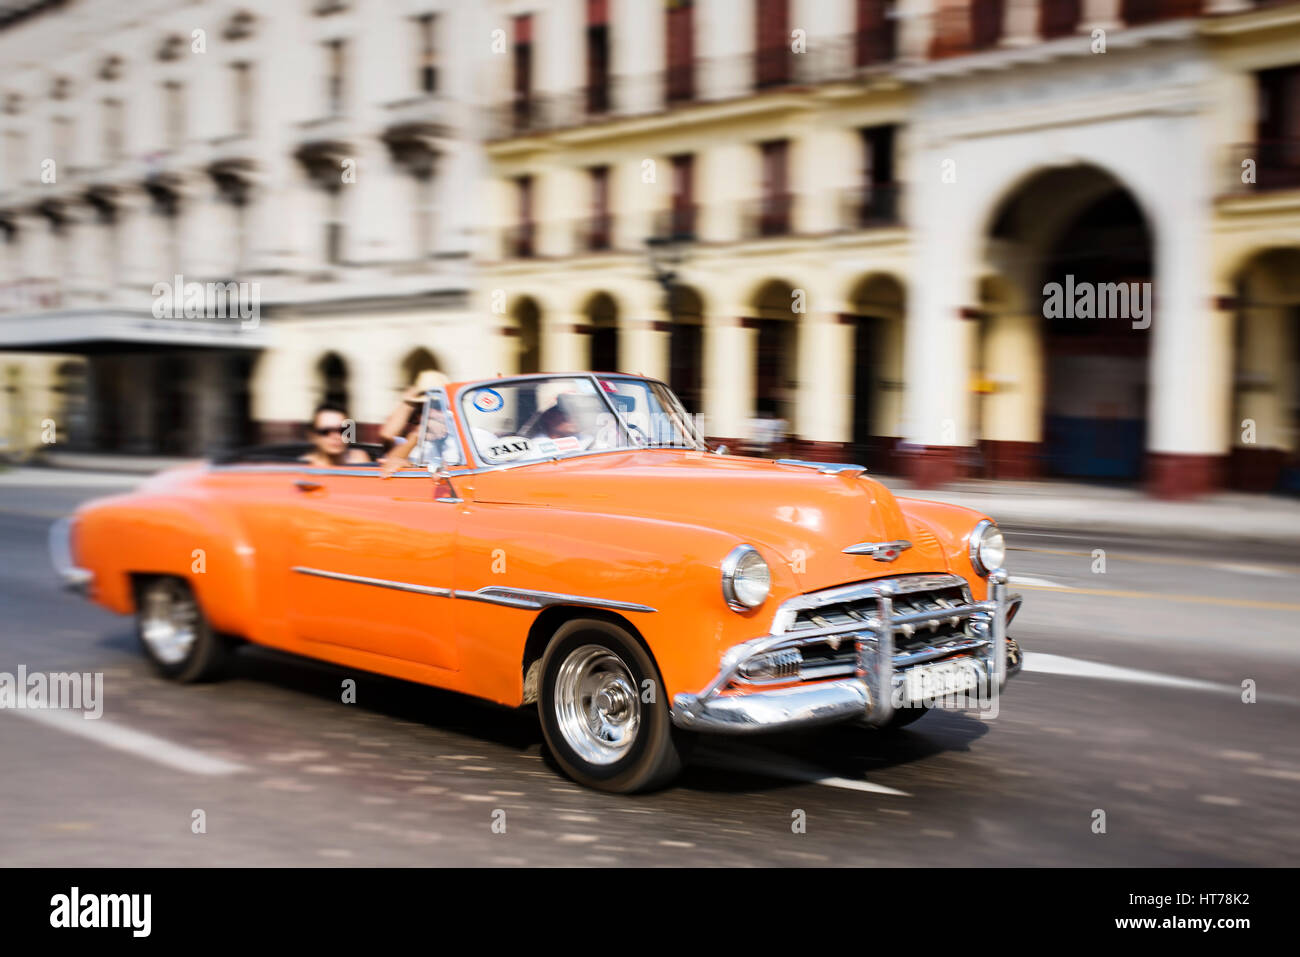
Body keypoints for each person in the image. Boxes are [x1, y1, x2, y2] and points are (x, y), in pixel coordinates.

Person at [301, 404, 371, 467]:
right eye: (326, 431)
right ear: (313, 436)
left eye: (343, 430)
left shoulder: (360, 460)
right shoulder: (303, 465)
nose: (336, 437)